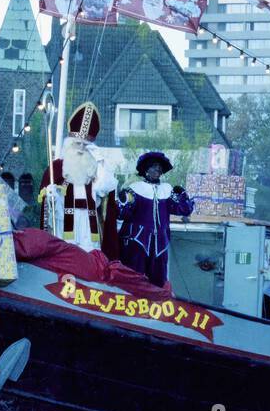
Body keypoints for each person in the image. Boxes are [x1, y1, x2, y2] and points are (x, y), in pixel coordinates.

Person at [39, 101, 117, 252]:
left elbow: (105, 190)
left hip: (90, 229)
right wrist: (51, 197)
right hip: (64, 229)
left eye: (85, 145)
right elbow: (47, 205)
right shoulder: (56, 169)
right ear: (68, 144)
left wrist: (100, 164)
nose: (81, 149)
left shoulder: (96, 169)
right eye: (77, 144)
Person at [114, 151, 194, 288]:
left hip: (160, 245)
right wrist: (124, 201)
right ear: (146, 169)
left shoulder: (167, 189)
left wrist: (183, 196)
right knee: (134, 280)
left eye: (159, 167)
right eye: (154, 166)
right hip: (138, 242)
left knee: (158, 281)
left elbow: (183, 209)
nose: (158, 169)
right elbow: (121, 214)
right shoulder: (135, 189)